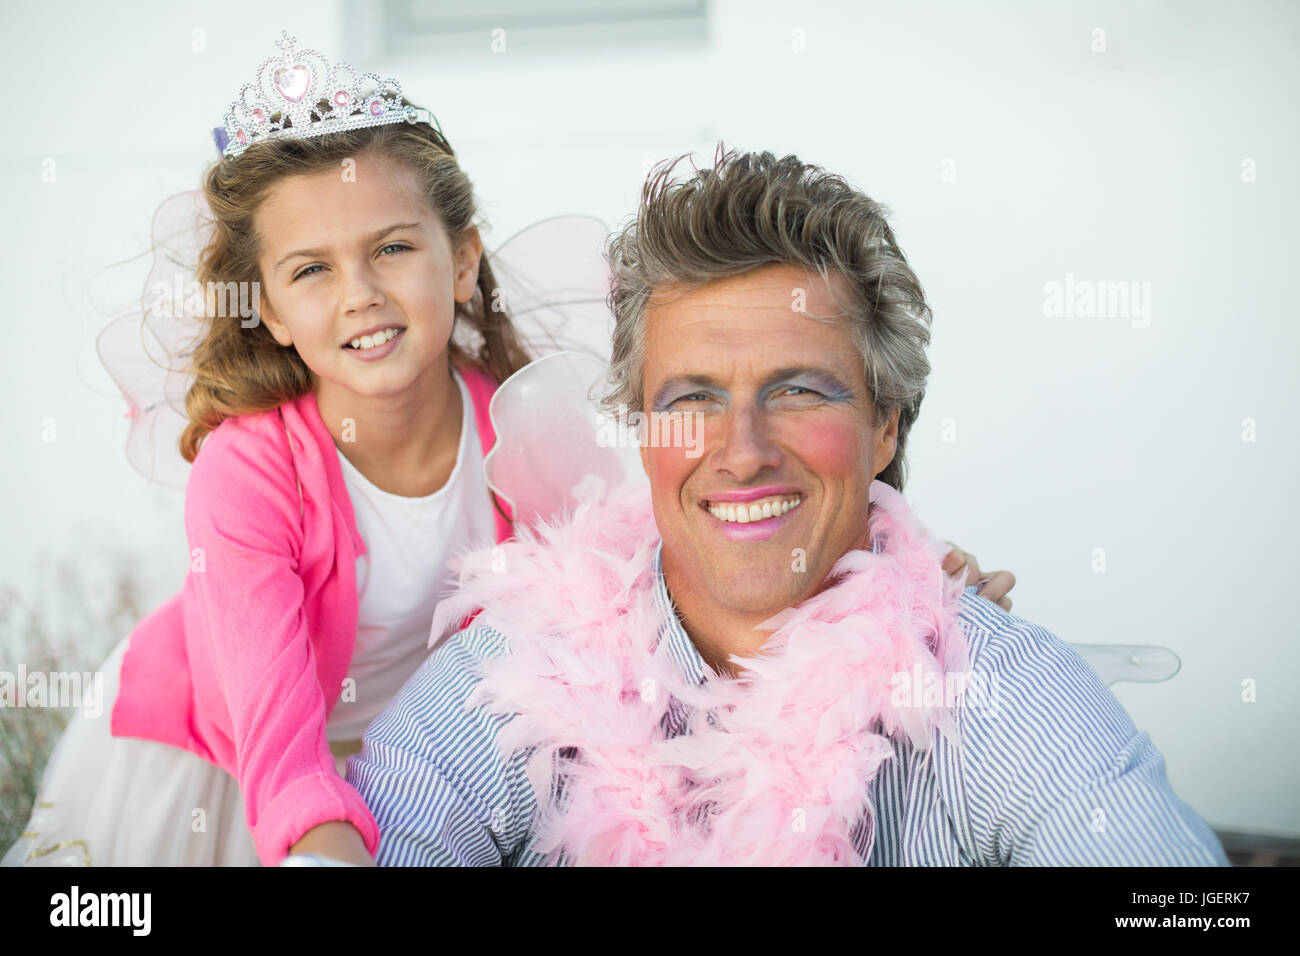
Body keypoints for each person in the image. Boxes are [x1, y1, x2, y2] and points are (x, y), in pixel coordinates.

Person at [347, 147, 1230, 866]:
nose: (742, 451)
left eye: (800, 390)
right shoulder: (511, 673)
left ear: (885, 426)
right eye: (691, 399)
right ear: (643, 429)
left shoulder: (998, 688)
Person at [2, 30, 533, 867]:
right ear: (273, 313)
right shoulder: (248, 473)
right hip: (231, 766)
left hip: (426, 770)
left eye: (392, 247)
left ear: (461, 260)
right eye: (310, 271)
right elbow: (284, 765)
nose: (360, 295)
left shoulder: (524, 431)